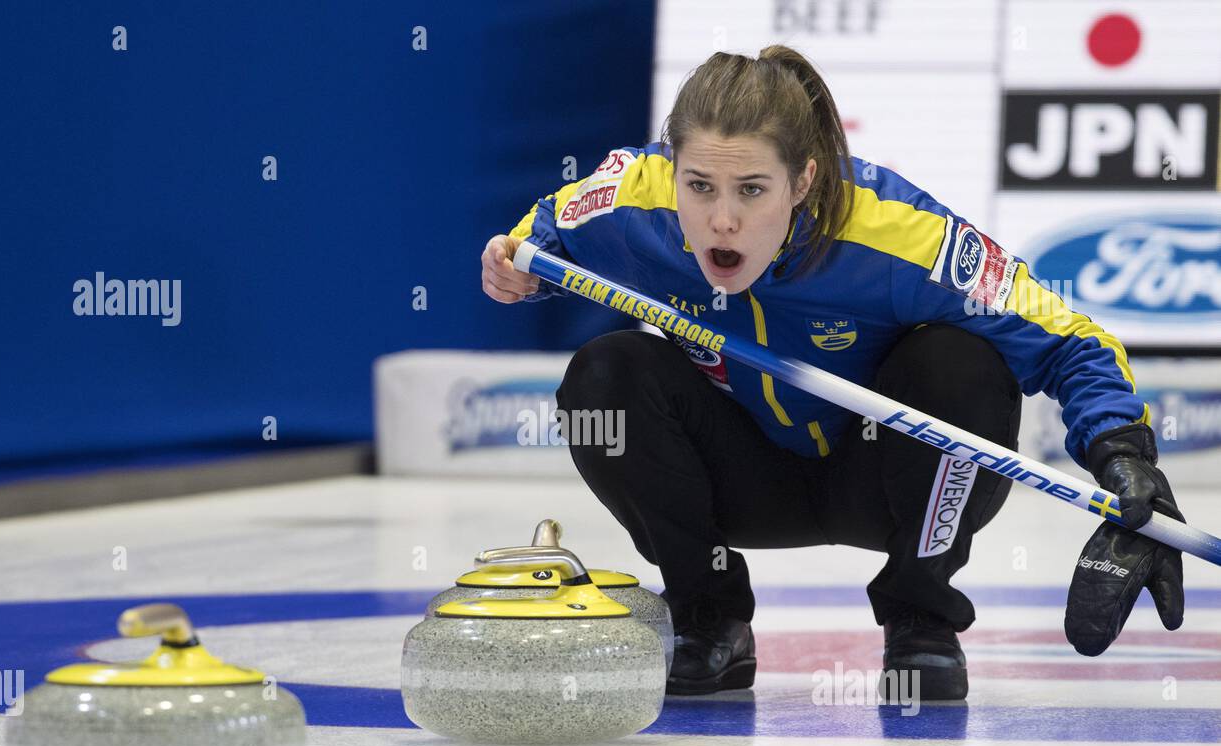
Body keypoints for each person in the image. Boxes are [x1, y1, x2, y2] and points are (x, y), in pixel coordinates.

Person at [480, 46, 1185, 700]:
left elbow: (1069, 337)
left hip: (882, 479)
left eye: (753, 190)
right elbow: (542, 233)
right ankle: (709, 616)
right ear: (671, 172)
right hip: (742, 479)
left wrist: (1125, 459)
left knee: (960, 363)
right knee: (606, 372)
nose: (722, 219)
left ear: (804, 179)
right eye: (699, 186)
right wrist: (517, 268)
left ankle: (921, 617)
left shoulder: (894, 233)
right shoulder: (634, 201)